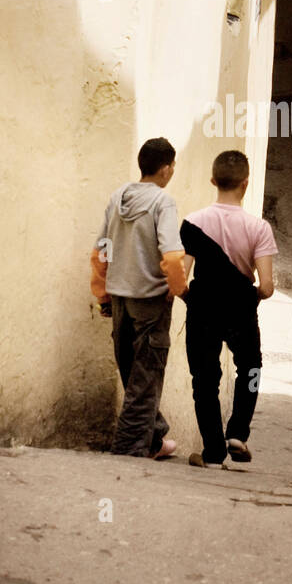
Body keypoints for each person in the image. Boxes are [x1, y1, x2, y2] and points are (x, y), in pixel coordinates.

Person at [90, 138, 187, 459]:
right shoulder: (163, 202)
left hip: (119, 297)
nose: (172, 171)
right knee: (145, 376)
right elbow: (172, 256)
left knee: (133, 372)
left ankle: (155, 438)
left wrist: (103, 292)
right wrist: (178, 289)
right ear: (165, 168)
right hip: (151, 300)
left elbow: (101, 250)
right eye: (172, 166)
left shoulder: (118, 197)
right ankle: (129, 450)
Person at [180, 149, 277, 469]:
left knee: (204, 379)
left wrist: (188, 298)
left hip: (203, 307)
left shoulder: (193, 223)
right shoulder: (259, 228)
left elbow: (180, 275)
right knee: (250, 369)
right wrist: (252, 298)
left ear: (213, 181)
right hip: (240, 308)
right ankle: (237, 433)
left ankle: (211, 452)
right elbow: (266, 286)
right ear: (246, 184)